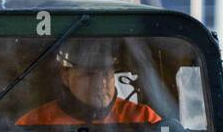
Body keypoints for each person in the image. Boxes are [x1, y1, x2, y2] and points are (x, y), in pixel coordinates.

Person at [17, 41, 161, 127]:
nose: (100, 83)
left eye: (106, 73)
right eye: (89, 74)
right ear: (65, 76)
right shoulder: (34, 123)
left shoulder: (144, 118)